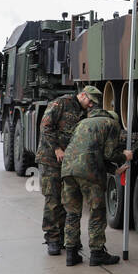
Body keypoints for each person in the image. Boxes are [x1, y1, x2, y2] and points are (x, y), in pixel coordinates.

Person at [59, 86, 132, 267]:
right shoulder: (111, 124)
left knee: (72, 212)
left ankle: (71, 253)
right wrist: (125, 156)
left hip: (68, 169)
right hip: (89, 173)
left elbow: (90, 150)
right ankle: (97, 253)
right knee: (97, 212)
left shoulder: (83, 123)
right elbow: (108, 153)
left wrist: (115, 171)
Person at [35, 89, 92, 255]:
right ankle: (52, 238)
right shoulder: (61, 103)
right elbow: (45, 126)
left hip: (67, 161)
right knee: (53, 199)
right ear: (82, 95)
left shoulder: (82, 111)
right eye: (90, 101)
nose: (91, 105)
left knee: (67, 199)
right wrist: (57, 148)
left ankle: (64, 237)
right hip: (50, 159)